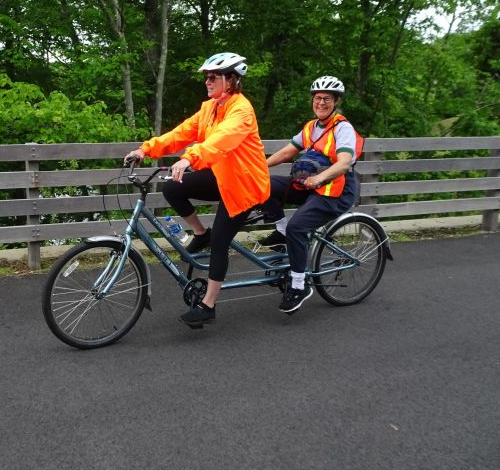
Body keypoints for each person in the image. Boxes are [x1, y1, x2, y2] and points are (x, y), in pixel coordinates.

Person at [125, 52, 271, 327]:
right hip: (221, 176)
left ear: (231, 80)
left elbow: (220, 140)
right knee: (173, 187)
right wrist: (145, 149)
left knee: (221, 243)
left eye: (212, 76)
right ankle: (200, 234)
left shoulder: (242, 111)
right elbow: (180, 132)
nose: (207, 81)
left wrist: (189, 158)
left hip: (244, 185)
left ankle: (208, 305)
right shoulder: (210, 108)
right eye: (206, 76)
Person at [258, 76, 363, 313]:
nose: (321, 103)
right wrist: (259, 169)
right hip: (308, 186)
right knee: (263, 184)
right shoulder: (310, 127)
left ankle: (299, 285)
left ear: (335, 102)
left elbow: (345, 162)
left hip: (335, 190)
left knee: (299, 228)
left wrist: (319, 178)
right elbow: (286, 153)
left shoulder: (343, 128)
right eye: (318, 98)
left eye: (327, 98)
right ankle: (282, 230)